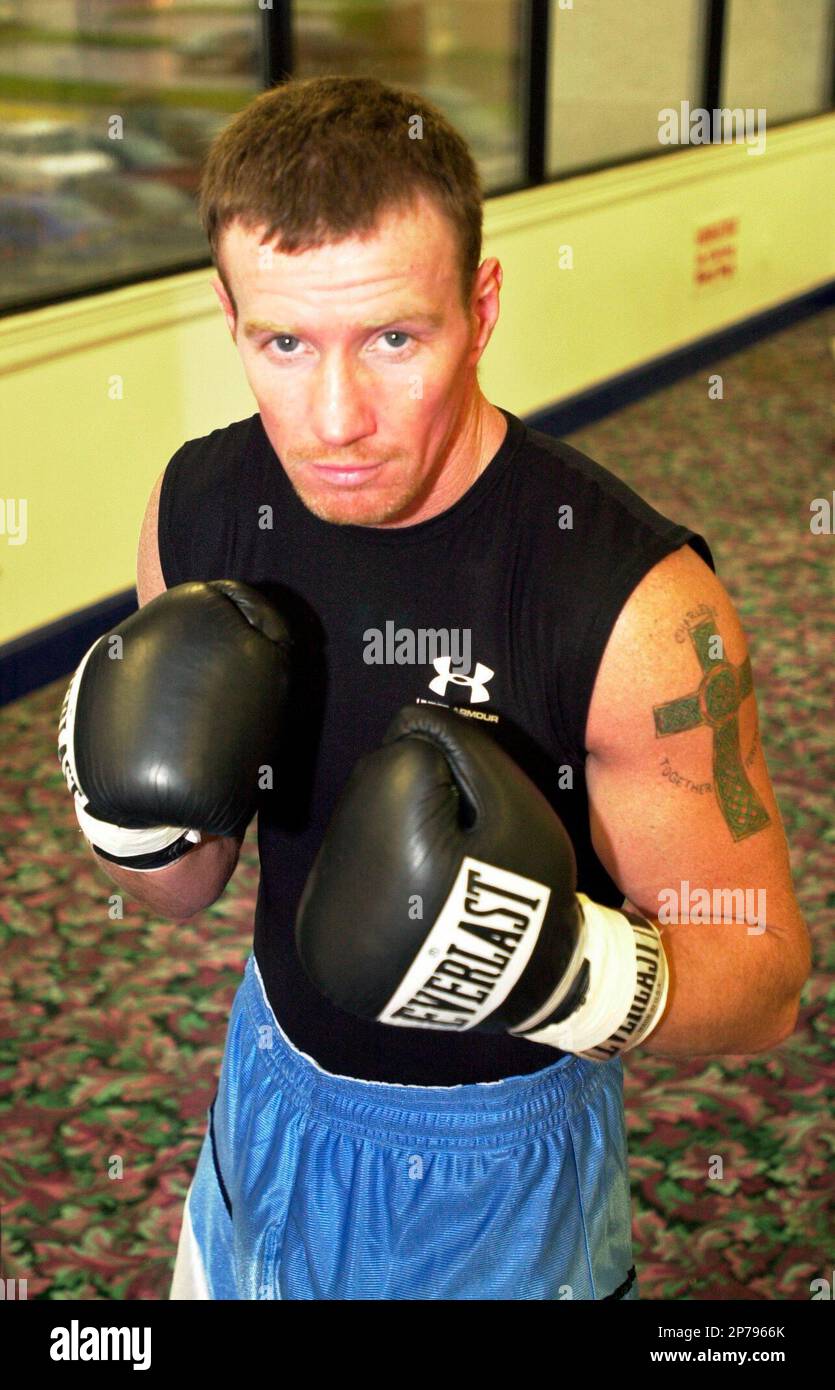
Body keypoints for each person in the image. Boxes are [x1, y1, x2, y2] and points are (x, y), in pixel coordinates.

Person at [59, 76, 810, 1300]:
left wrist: (560, 969)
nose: (336, 417)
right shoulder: (198, 504)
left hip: (499, 1159)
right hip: (267, 1082)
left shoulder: (632, 605)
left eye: (394, 339)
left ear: (481, 305)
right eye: (284, 343)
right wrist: (125, 819)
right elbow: (179, 890)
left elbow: (766, 983)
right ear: (229, 314)